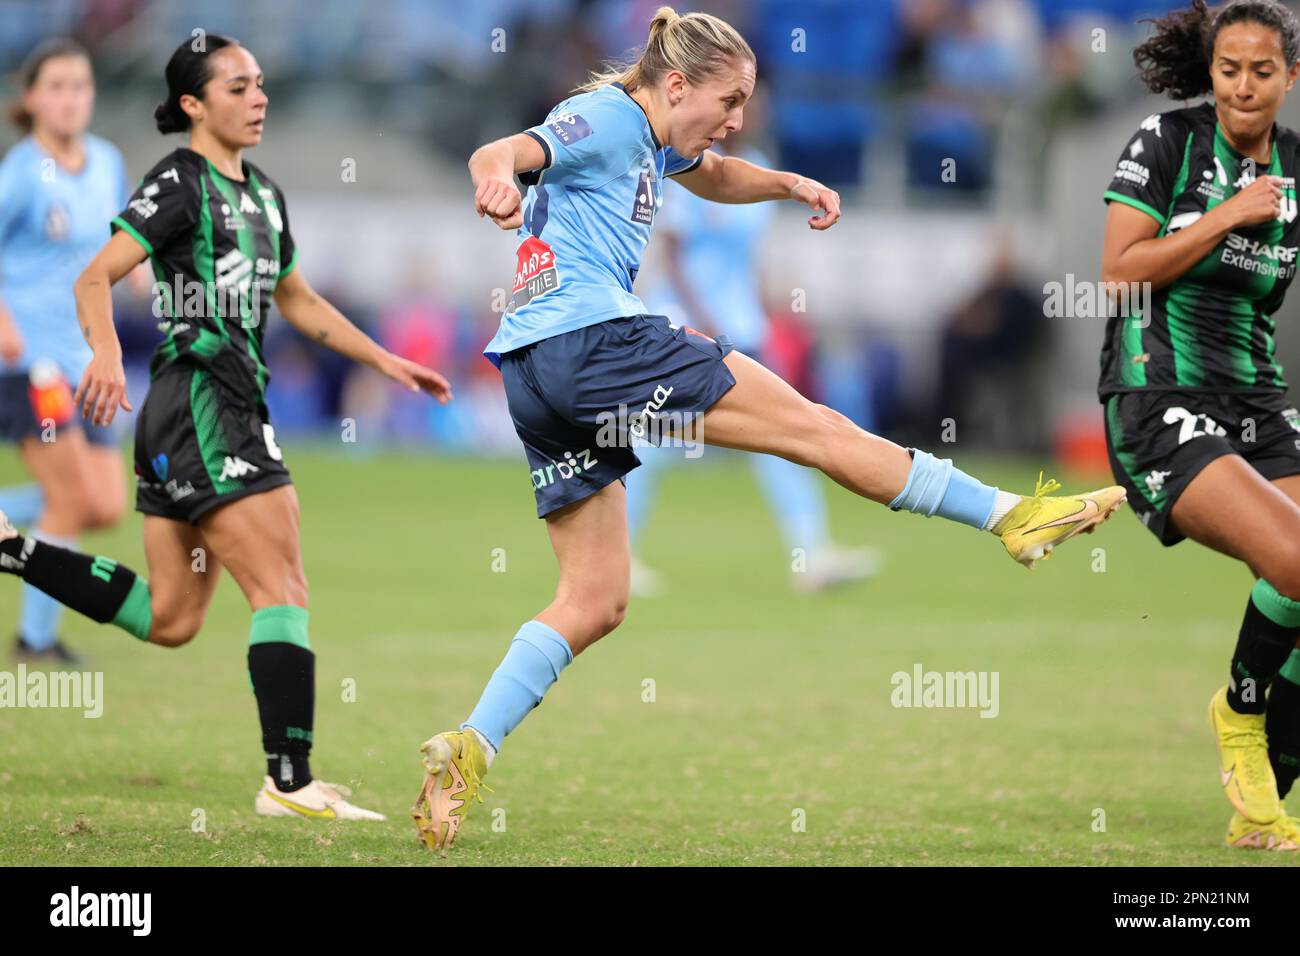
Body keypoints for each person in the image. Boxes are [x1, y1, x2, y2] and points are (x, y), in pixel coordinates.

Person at [412, 6, 1124, 850]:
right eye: (730, 98)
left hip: (536, 373)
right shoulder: (605, 116)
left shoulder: (654, 139)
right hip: (594, 340)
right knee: (816, 429)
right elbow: (503, 152)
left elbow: (711, 175)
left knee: (595, 599)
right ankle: (1009, 515)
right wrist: (493, 179)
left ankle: (468, 746)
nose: (738, 118)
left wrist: (788, 184)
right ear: (676, 84)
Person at [0, 35, 453, 821]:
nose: (258, 97)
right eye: (238, 86)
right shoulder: (179, 182)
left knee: (172, 618)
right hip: (205, 405)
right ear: (193, 105)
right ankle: (290, 781)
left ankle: (13, 547)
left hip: (205, 414)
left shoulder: (266, 195)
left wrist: (385, 359)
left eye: (262, 84)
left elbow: (299, 299)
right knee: (283, 585)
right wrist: (105, 355)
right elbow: (94, 275)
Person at [1101, 0, 1300, 850]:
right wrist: (1224, 216)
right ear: (1210, 73)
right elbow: (1116, 276)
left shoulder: (1295, 170)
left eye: (1262, 71)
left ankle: (1269, 795)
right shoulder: (1167, 142)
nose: (1243, 88)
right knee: (1295, 558)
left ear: (1291, 76)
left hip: (1257, 398)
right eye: (1229, 70)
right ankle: (1241, 715)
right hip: (1157, 396)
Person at [625, 85, 879, 596]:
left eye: (749, 108)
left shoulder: (758, 169)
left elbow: (748, 258)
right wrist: (701, 321)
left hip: (743, 330)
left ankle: (811, 553)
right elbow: (670, 253)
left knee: (786, 438)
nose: (740, 118)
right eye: (732, 106)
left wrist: (769, 312)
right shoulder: (689, 167)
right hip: (688, 329)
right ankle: (617, 557)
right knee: (651, 443)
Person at [0, 39, 133, 664]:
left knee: (105, 504)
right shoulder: (22, 174)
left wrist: (144, 273)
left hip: (89, 363)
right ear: (31, 99)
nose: (71, 97)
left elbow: (124, 238)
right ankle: (36, 639)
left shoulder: (105, 161)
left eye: (80, 85)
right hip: (34, 364)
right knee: (70, 499)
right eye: (56, 86)